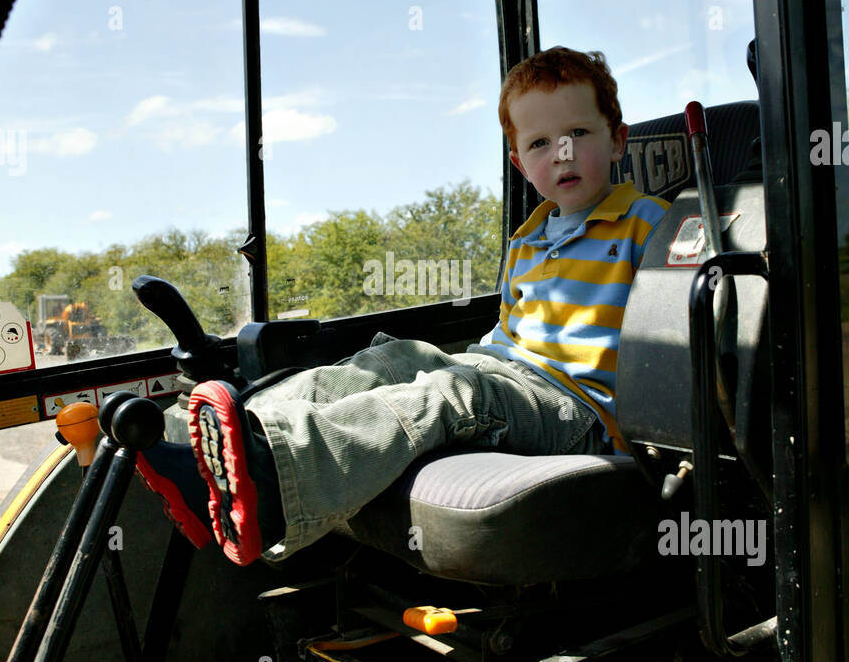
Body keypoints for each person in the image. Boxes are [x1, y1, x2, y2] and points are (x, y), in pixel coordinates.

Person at [136, 47, 670, 566]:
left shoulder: (651, 224)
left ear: (618, 139)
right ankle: (196, 444)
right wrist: (451, 358)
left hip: (580, 410)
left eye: (578, 133)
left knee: (453, 392)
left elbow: (681, 337)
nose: (563, 153)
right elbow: (510, 330)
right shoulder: (528, 239)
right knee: (395, 359)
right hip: (510, 372)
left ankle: (272, 479)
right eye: (540, 143)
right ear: (519, 162)